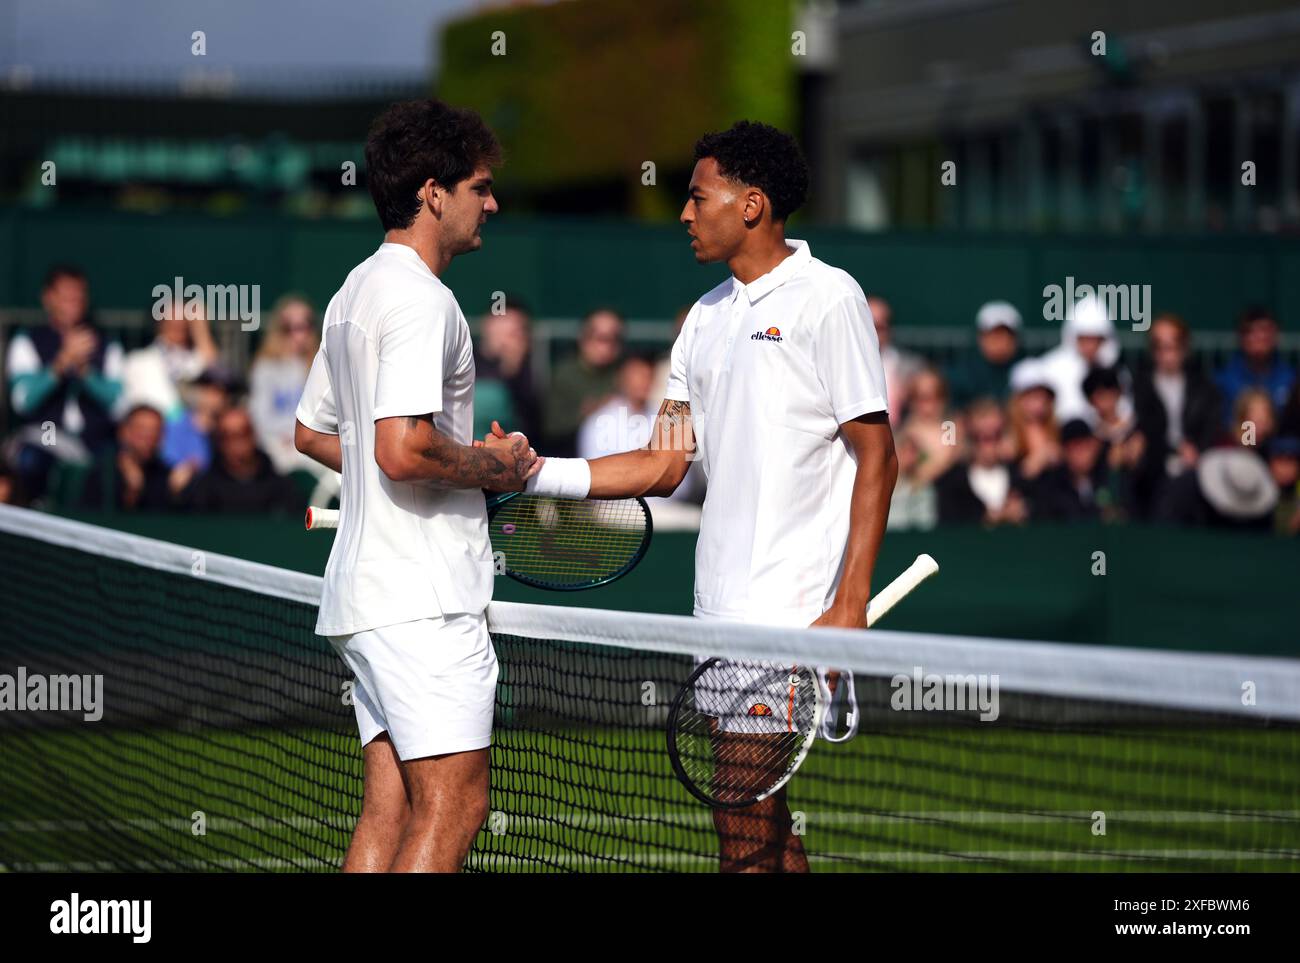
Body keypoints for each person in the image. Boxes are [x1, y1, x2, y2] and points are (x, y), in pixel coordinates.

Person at [508, 121, 895, 873]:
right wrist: (534, 471)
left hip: (789, 613)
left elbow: (877, 451)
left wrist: (849, 601)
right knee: (762, 824)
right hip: (716, 609)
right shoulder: (701, 323)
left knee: (738, 821)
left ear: (751, 204)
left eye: (697, 197)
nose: (684, 214)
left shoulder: (829, 298)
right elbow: (663, 462)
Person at [292, 99, 540, 873]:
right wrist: (491, 467)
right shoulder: (419, 299)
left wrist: (446, 461)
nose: (491, 203)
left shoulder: (353, 291)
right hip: (421, 601)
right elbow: (402, 450)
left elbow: (313, 434)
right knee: (457, 804)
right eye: (480, 186)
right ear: (434, 192)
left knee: (392, 804)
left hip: (368, 599)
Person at [5, 265, 123, 501]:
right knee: (33, 459)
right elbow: (23, 401)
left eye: (78, 295)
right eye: (66, 296)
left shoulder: (106, 345)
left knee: (115, 472)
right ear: (49, 298)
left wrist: (85, 373)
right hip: (47, 434)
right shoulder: (27, 341)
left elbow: (118, 403)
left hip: (94, 441)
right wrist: (59, 366)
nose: (73, 302)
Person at [1130, 313, 1221, 518]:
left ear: (1184, 347)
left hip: (1196, 469)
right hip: (1152, 471)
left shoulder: (1204, 388)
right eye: (1159, 346)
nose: (1167, 353)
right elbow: (1140, 430)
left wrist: (1197, 452)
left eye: (1173, 345)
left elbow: (1212, 428)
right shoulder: (1139, 387)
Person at [1018, 295, 1125, 424]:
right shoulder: (1049, 368)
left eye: (1095, 339)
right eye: (1084, 338)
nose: (1089, 346)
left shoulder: (1116, 372)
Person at [248, 295, 321, 475]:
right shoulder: (265, 367)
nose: (297, 334)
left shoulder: (321, 365)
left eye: (304, 326)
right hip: (276, 446)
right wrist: (290, 435)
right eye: (288, 328)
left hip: (313, 446)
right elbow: (260, 418)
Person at [182, 407, 302, 514]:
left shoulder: (281, 487)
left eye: (243, 433)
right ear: (218, 441)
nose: (236, 442)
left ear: (254, 435)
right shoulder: (203, 490)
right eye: (227, 435)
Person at [935, 399, 1029, 526]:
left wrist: (1024, 511)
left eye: (996, 435)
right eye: (980, 437)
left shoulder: (1021, 476)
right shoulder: (952, 482)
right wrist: (985, 518)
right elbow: (948, 526)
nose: (989, 445)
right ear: (969, 437)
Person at [543, 307, 624, 455]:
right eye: (600, 338)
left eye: (613, 339)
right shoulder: (564, 375)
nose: (606, 347)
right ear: (583, 338)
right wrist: (588, 414)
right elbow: (550, 428)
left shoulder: (625, 373)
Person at [81, 404, 188, 512]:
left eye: (155, 430)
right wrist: (132, 492)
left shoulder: (165, 474)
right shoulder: (102, 471)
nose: (149, 436)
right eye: (141, 429)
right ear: (123, 432)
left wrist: (176, 494)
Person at [1214, 306, 1295, 429]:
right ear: (1241, 337)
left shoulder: (1291, 379)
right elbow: (1220, 424)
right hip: (1240, 442)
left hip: (1281, 446)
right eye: (1250, 331)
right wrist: (1249, 437)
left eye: (1264, 330)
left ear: (1275, 334)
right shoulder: (1223, 380)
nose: (1258, 337)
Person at [473, 296, 540, 444]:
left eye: (514, 333)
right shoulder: (463, 361)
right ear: (487, 325)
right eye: (502, 328)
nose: (506, 339)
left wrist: (513, 372)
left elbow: (532, 426)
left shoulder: (525, 372)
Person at [1027, 418, 1110, 522]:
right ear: (1064, 451)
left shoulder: (1107, 477)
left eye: (1086, 446)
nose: (1082, 454)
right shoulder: (1053, 487)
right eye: (1076, 447)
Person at [947, 300, 1024, 408]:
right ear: (980, 337)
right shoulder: (960, 375)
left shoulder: (1028, 374)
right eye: (993, 334)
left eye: (1004, 335)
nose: (999, 341)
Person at [867, 295, 923, 426]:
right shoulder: (841, 370)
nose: (873, 333)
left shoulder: (913, 368)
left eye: (879, 327)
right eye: (867, 326)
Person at [1006, 358, 1061, 483]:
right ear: (1017, 399)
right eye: (1032, 396)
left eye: (1044, 397)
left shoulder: (1058, 431)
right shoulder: (1006, 435)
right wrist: (1038, 460)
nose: (1039, 403)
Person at [1266, 436, 1300, 536]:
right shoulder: (1257, 487)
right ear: (1270, 463)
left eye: (1291, 462)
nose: (1286, 469)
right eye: (1280, 461)